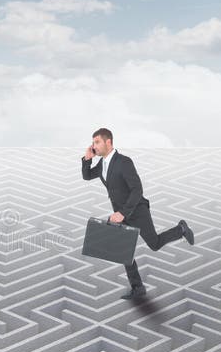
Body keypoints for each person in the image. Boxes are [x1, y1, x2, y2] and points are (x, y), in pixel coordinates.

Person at [81, 127, 195, 300]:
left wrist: (123, 213)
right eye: (93, 142)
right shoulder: (102, 164)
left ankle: (181, 229)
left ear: (108, 142)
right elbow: (87, 176)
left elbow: (137, 189)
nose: (94, 145)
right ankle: (138, 287)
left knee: (154, 244)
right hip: (120, 213)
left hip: (136, 210)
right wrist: (86, 159)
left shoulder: (123, 161)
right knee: (123, 251)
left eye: (97, 142)